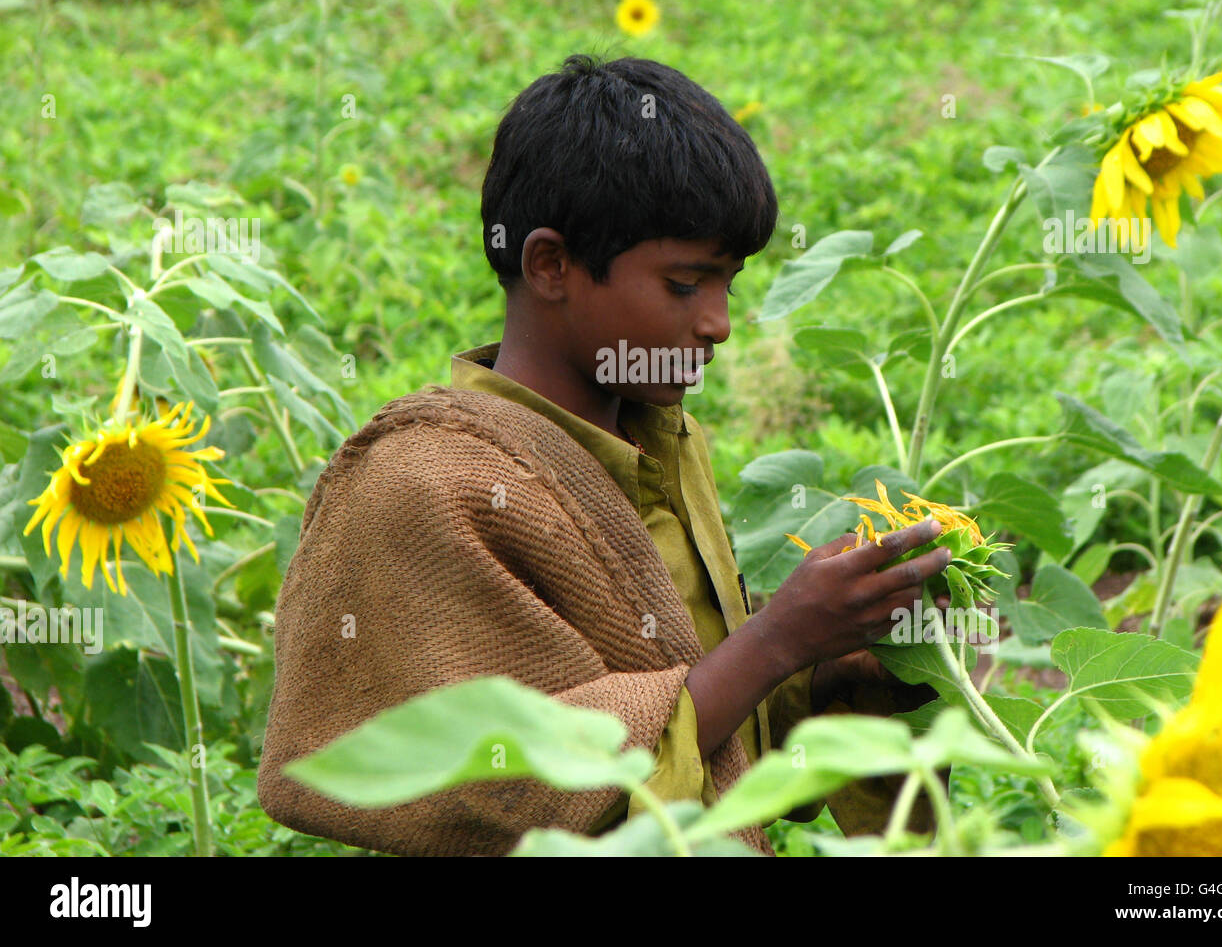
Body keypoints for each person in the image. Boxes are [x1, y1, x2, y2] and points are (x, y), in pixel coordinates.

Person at [257, 54, 952, 856]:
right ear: (552, 265)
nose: (720, 322)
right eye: (688, 284)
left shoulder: (656, 440)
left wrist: (851, 654)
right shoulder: (430, 486)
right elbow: (522, 790)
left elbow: (711, 737)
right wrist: (779, 640)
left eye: (729, 283)